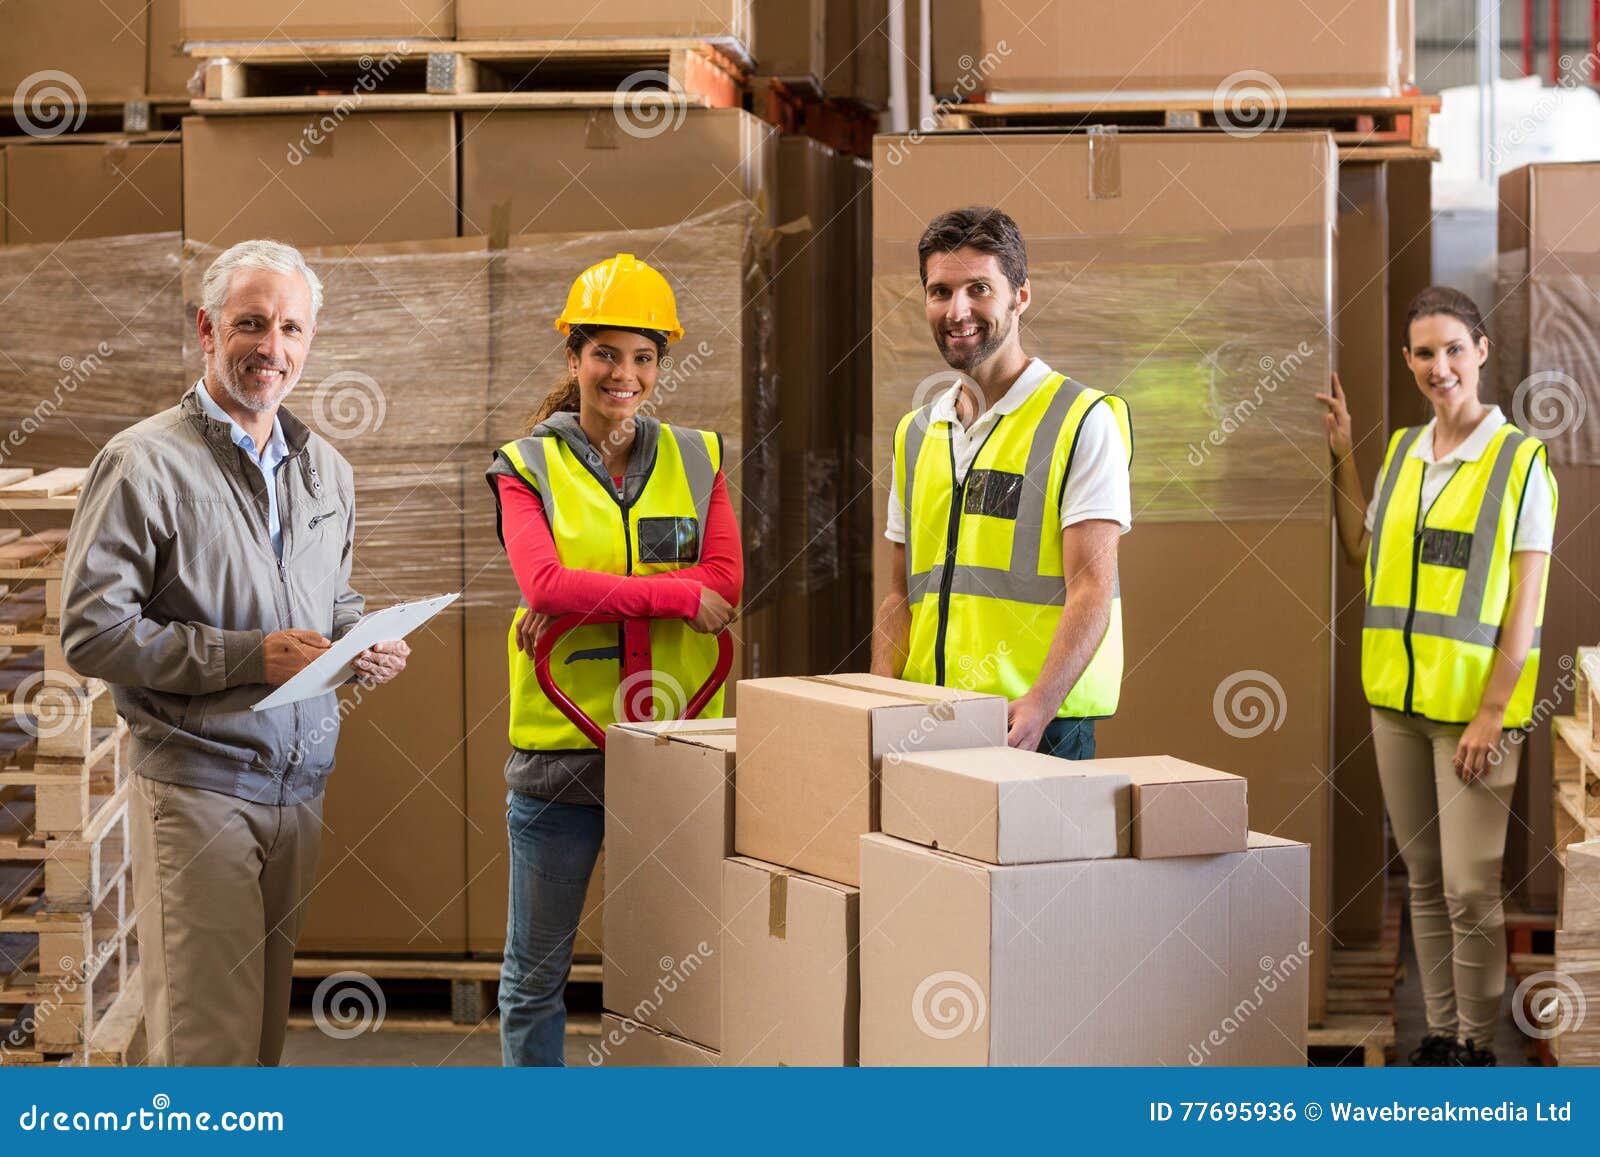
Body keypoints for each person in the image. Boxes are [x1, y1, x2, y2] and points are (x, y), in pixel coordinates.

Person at [60, 239, 411, 1066]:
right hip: (198, 787)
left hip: (299, 787)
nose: (271, 347)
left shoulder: (326, 470)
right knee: (206, 1050)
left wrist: (362, 641)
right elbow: (92, 631)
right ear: (207, 330)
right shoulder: (143, 463)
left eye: (291, 328)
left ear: (310, 340)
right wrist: (250, 656)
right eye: (251, 323)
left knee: (257, 1047)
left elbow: (331, 599)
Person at [486, 253, 742, 1066]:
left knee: (672, 971)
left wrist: (586, 594)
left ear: (660, 365)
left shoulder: (699, 458)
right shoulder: (525, 465)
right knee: (536, 976)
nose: (623, 374)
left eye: (642, 356)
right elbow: (544, 582)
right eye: (604, 353)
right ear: (574, 358)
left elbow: (727, 584)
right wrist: (676, 594)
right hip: (560, 760)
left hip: (673, 752)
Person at [1318, 286, 1557, 1067]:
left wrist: (1493, 712)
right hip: (1396, 704)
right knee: (1422, 879)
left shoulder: (1520, 462)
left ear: (1481, 350)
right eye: (1424, 352)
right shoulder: (1402, 454)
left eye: (1454, 348)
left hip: (1473, 715)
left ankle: (1477, 1046)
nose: (1439, 365)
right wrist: (1343, 449)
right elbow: (1361, 551)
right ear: (1409, 360)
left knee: (1469, 887)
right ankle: (1441, 1035)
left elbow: (1525, 603)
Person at [870, 206, 1132, 758]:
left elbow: (1092, 588)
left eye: (979, 289)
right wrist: (878, 695)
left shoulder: (1082, 420)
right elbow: (899, 593)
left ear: (1021, 296)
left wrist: (1041, 702)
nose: (957, 311)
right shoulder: (915, 433)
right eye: (940, 292)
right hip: (926, 717)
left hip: (1037, 725)